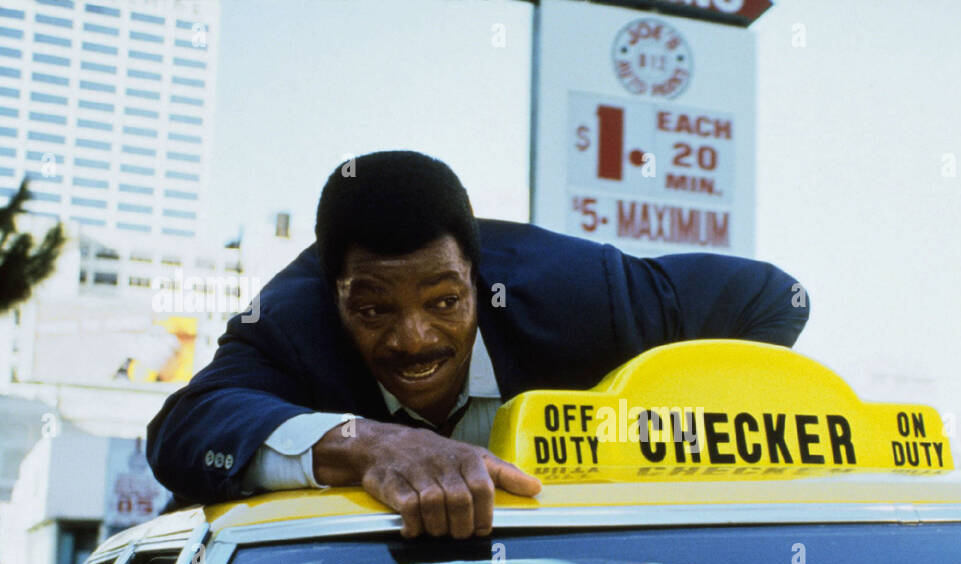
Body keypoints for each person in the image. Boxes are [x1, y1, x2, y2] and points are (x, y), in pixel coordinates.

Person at [146, 150, 808, 538]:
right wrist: (366, 443)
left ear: (478, 273)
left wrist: (648, 438)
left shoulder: (586, 297)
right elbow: (182, 430)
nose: (415, 338)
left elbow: (772, 299)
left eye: (444, 300)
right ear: (334, 292)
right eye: (374, 308)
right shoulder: (290, 323)